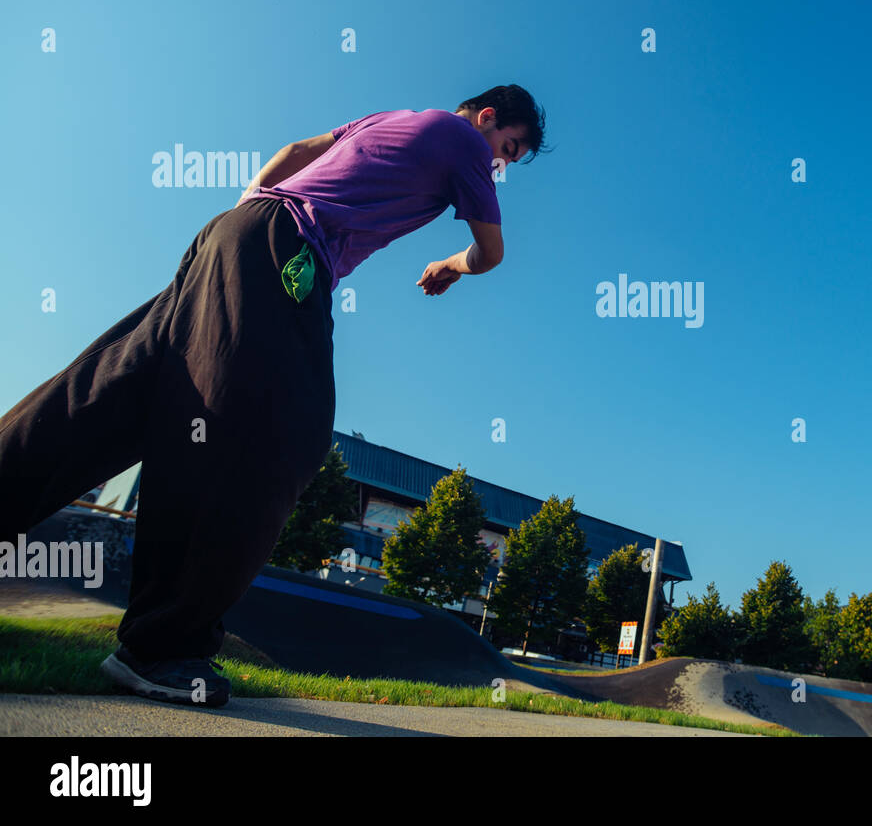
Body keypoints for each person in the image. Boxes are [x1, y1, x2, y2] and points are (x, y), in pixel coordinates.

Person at [0, 84, 548, 707]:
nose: (501, 164)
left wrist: (247, 216)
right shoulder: (462, 142)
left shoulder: (390, 117)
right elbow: (492, 251)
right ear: (486, 119)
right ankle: (162, 647)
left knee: (123, 390)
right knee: (277, 432)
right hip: (284, 251)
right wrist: (451, 264)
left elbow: (293, 150)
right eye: (508, 148)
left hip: (235, 234)